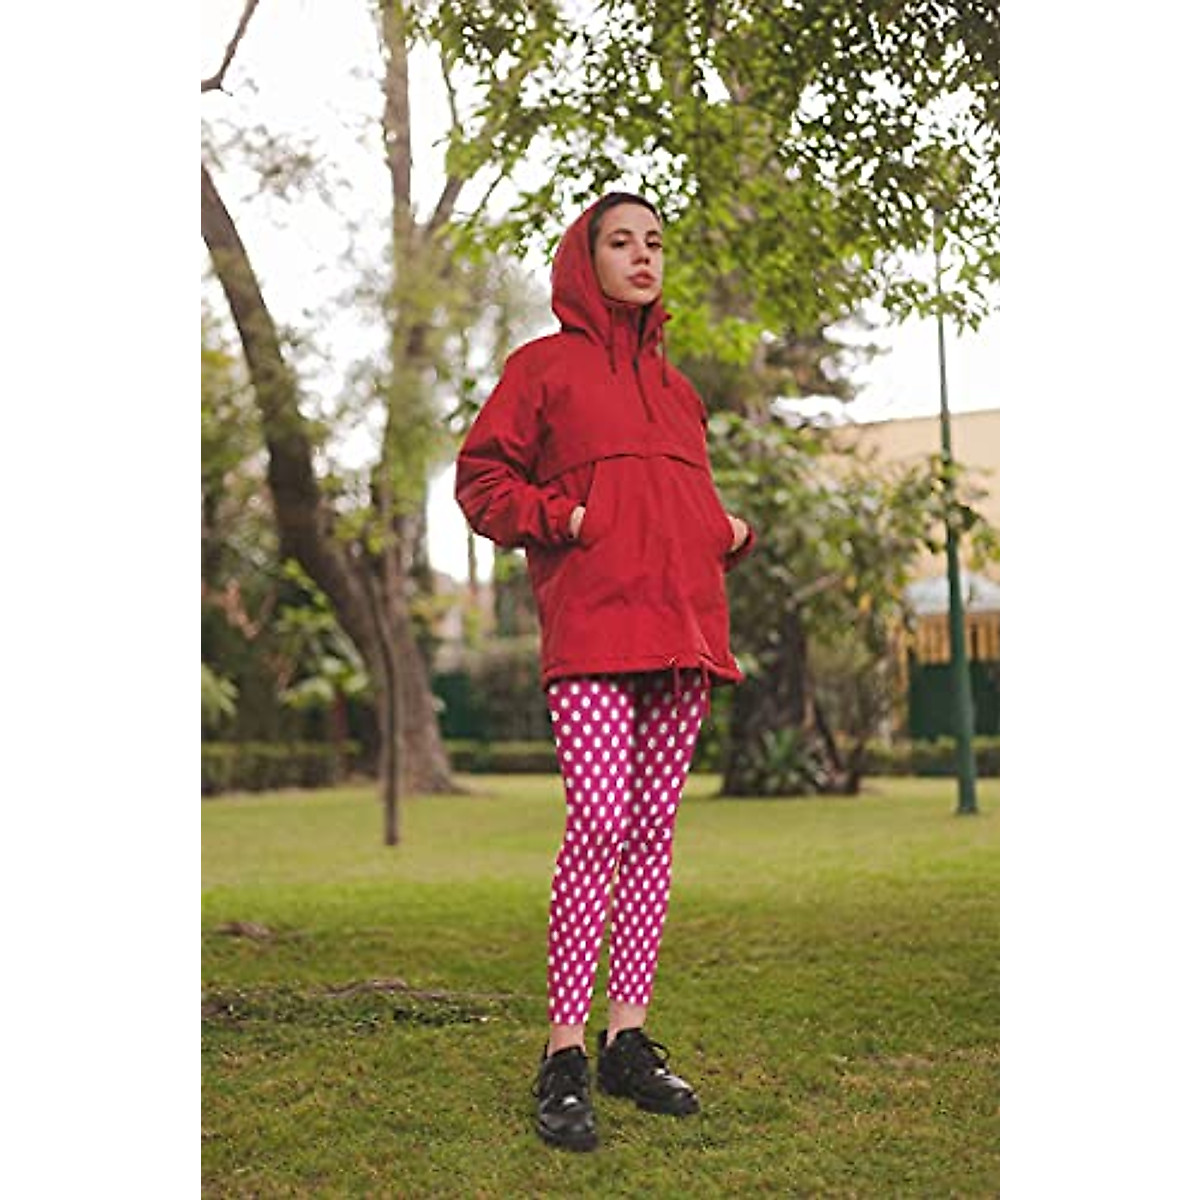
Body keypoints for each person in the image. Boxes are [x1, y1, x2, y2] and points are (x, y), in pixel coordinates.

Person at [455, 192, 755, 1152]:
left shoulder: (679, 390)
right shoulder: (541, 370)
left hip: (682, 635)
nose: (642, 256)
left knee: (653, 834)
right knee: (597, 825)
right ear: (585, 261)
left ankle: (627, 1040)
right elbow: (482, 481)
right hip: (591, 635)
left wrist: (723, 532)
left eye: (654, 242)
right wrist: (565, 519)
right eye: (621, 241)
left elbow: (679, 499)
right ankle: (563, 1055)